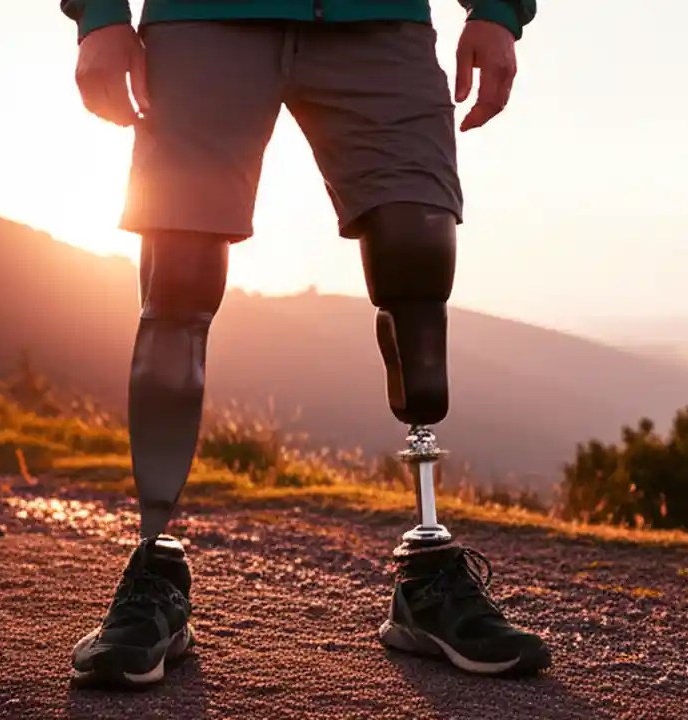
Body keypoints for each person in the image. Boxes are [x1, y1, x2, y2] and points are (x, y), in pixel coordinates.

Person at [60, 0, 548, 686]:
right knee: (180, 271)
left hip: (379, 19)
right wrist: (100, 14)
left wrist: (497, 9)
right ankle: (154, 568)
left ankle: (428, 576)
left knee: (417, 249)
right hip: (201, 17)